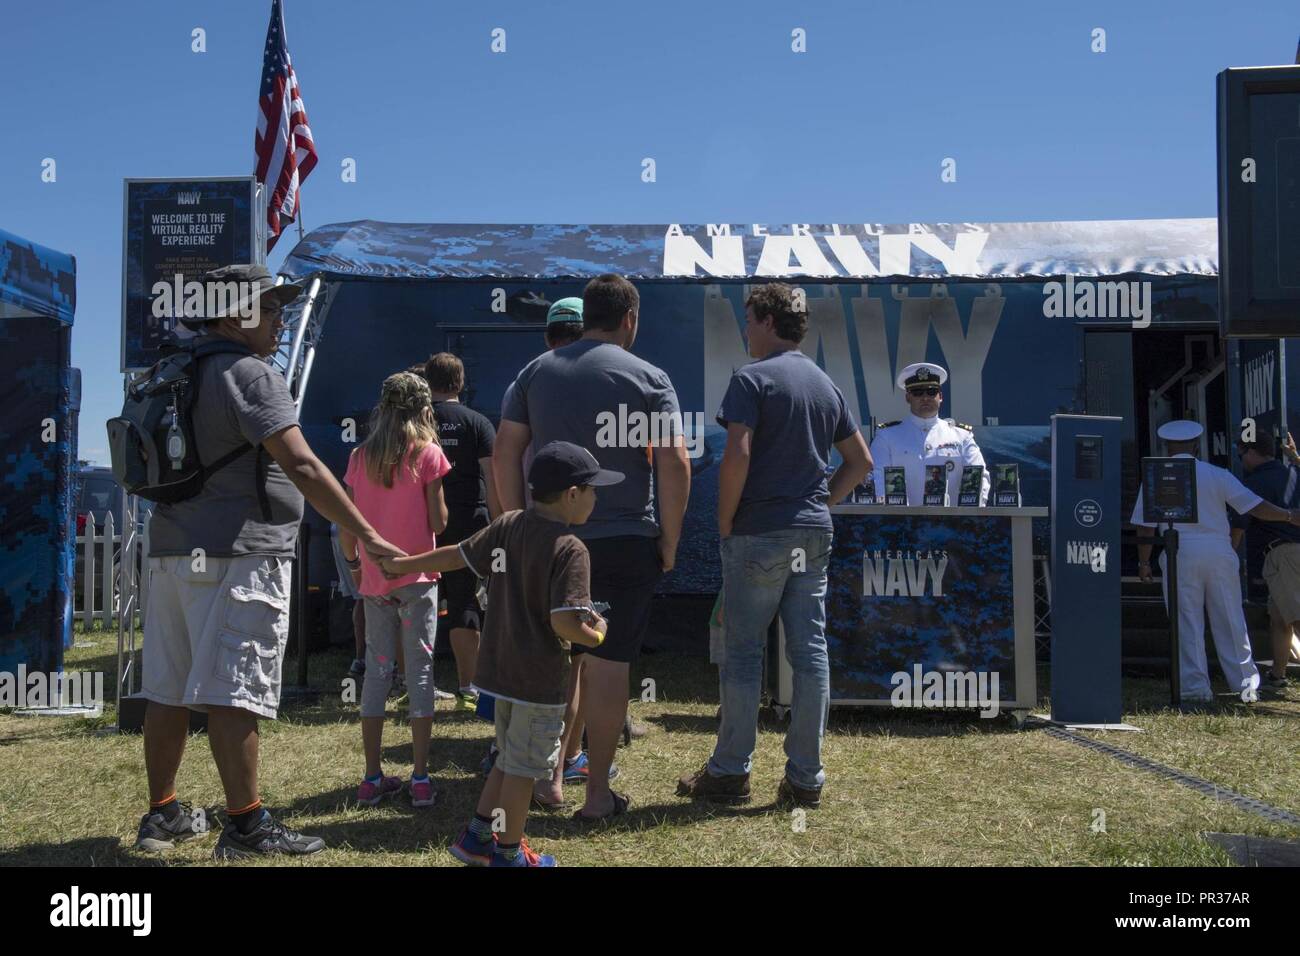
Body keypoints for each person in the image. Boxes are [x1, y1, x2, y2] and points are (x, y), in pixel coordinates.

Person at [136, 264, 404, 859]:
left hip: (174, 551)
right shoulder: (250, 374)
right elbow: (302, 464)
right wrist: (365, 533)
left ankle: (163, 813)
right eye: (271, 307)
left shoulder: (172, 370)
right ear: (235, 315)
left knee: (168, 689)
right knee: (236, 690)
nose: (282, 319)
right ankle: (247, 827)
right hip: (240, 553)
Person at [495, 275, 691, 821]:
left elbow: (505, 451)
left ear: (586, 317)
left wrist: (515, 524)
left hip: (550, 541)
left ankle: (547, 777)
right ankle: (597, 793)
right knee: (606, 665)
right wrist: (670, 540)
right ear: (629, 319)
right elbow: (675, 462)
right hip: (626, 541)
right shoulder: (650, 377)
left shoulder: (535, 372)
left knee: (555, 661)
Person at [676, 282, 871, 808]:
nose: (745, 330)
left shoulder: (751, 379)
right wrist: (821, 503)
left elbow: (736, 456)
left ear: (766, 321)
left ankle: (729, 772)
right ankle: (806, 779)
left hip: (759, 531)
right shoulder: (825, 385)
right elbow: (861, 462)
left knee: (742, 652)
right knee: (810, 652)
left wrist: (725, 522)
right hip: (813, 531)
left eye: (748, 320)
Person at [382, 441, 619, 866]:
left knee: (507, 761)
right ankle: (508, 854)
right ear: (571, 494)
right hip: (537, 682)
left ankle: (477, 839)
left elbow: (457, 555)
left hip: (499, 675)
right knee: (524, 771)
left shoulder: (508, 524)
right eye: (592, 490)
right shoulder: (572, 549)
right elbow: (564, 624)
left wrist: (402, 565)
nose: (596, 499)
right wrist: (597, 634)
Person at [1132, 420, 1300, 709]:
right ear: (1196, 446)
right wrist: (1288, 516)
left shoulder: (1156, 477)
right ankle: (1246, 685)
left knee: (1187, 622)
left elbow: (1145, 527)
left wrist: (1144, 562)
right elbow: (1254, 506)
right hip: (1218, 549)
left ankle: (1195, 688)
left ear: (1167, 448)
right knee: (1231, 619)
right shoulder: (1217, 474)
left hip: (1179, 551)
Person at [341, 372, 450, 808]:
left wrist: (354, 565)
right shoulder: (429, 454)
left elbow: (346, 524)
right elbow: (439, 522)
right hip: (418, 578)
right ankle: (420, 778)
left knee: (377, 672)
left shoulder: (359, 456)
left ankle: (371, 777)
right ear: (424, 410)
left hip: (375, 578)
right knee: (420, 672)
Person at [422, 352, 501, 711]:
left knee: (414, 600)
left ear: (428, 381)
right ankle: (469, 689)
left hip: (421, 524)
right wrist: (501, 524)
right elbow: (493, 478)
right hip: (469, 523)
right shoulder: (477, 422)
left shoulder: (415, 422)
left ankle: (412, 684)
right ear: (461, 382)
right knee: (465, 601)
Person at [868, 362, 989, 507]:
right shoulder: (886, 436)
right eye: (917, 392)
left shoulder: (962, 436)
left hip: (954, 520)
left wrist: (971, 515)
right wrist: (899, 517)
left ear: (940, 396)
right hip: (901, 520)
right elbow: (879, 480)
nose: (925, 397)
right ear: (908, 397)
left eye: (931, 392)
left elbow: (979, 478)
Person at [1237, 430, 1300, 691]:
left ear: (1252, 452)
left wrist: (1230, 553)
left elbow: (1239, 523)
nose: (1241, 460)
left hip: (1283, 554)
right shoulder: (1292, 472)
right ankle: (1277, 675)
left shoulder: (1256, 481)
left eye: (1241, 454)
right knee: (1279, 618)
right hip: (1288, 554)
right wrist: (1295, 458)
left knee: (1295, 617)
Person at [330, 523, 366, 675]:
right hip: (355, 530)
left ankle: (361, 659)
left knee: (363, 597)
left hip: (343, 529)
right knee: (366, 596)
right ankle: (364, 659)